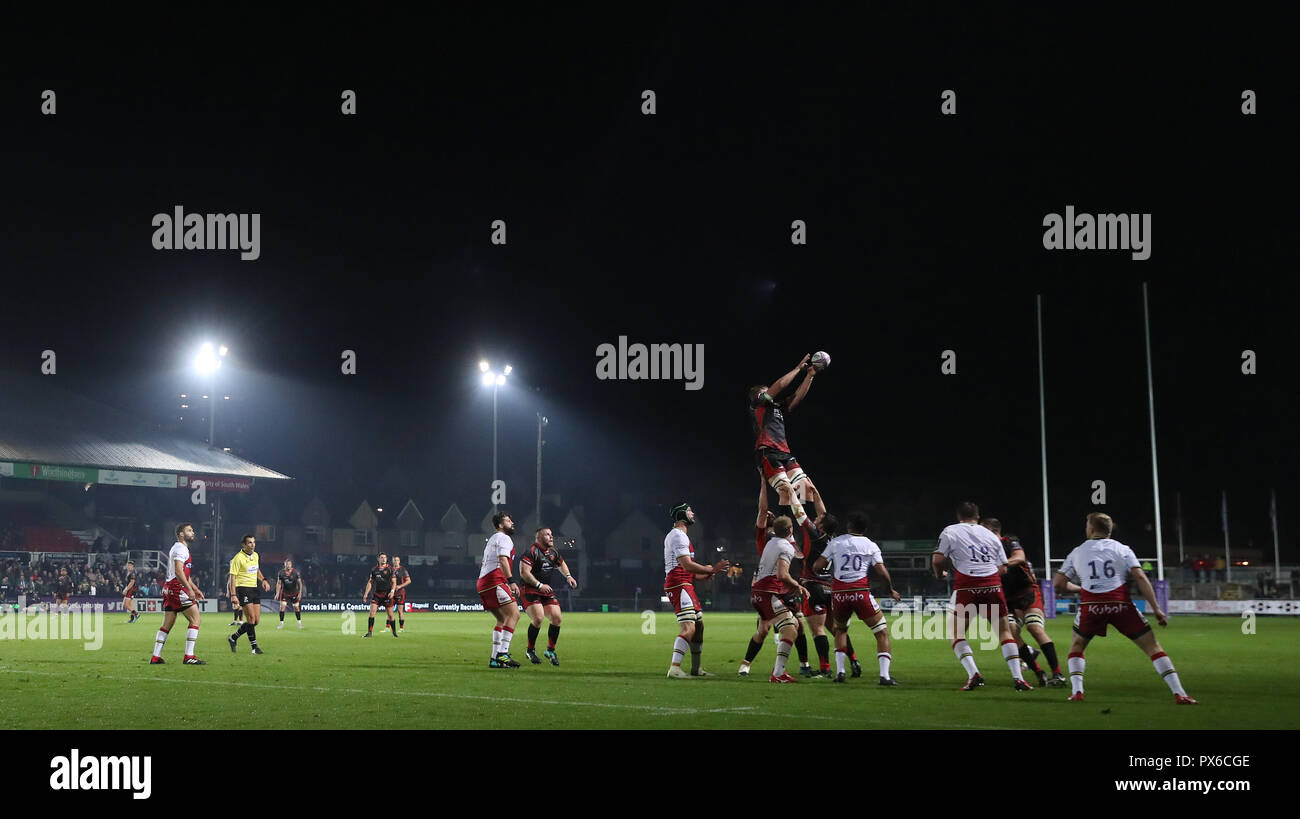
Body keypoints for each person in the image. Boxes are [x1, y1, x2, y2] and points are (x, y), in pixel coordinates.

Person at [1054, 513, 1198, 704]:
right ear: (1109, 530)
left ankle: (1077, 692)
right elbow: (1140, 578)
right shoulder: (1122, 549)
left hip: (1092, 605)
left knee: (1077, 645)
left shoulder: (1077, 552)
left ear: (1090, 528)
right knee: (1153, 647)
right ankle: (1180, 693)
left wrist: (1081, 589)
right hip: (1120, 605)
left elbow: (1058, 584)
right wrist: (1156, 609)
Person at [932, 501, 1032, 691]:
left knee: (956, 633)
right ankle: (1018, 679)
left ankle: (974, 674)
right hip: (992, 585)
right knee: (1004, 632)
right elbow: (1003, 567)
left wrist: (939, 574)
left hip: (967, 586)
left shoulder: (950, 531)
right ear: (977, 517)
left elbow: (937, 559)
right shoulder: (989, 534)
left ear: (958, 516)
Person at [814, 511, 900, 685]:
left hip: (839, 594)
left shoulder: (836, 543)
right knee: (881, 632)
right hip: (860, 591)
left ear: (848, 526)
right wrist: (890, 590)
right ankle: (884, 676)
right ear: (865, 528)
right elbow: (882, 572)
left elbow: (817, 566)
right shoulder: (870, 545)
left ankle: (840, 673)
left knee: (841, 630)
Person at [980, 519, 1064, 687]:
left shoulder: (1009, 541)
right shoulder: (984, 549)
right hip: (1007, 598)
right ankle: (1038, 672)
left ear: (993, 531)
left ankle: (1058, 674)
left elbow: (1019, 557)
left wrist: (999, 566)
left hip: (1027, 593)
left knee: (1035, 628)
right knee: (1009, 632)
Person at [664, 502, 728, 678]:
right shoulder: (678, 535)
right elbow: (686, 565)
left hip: (684, 583)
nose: (693, 513)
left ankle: (696, 669)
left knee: (698, 627)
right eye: (689, 510)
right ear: (681, 515)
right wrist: (711, 569)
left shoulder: (682, 536)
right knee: (689, 628)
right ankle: (675, 668)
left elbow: (687, 570)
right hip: (678, 584)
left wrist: (704, 575)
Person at [749, 354, 822, 509]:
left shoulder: (775, 407)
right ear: (758, 395)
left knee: (805, 491)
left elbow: (796, 398)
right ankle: (785, 529)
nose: (771, 392)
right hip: (767, 452)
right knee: (787, 492)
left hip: (784, 453)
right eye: (767, 391)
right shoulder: (758, 404)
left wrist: (809, 375)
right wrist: (797, 369)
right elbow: (781, 385)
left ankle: (791, 524)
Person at [749, 515, 809, 683]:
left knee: (793, 625)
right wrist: (798, 585)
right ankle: (778, 673)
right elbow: (782, 575)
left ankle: (767, 669)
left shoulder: (770, 543)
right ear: (791, 530)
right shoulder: (786, 547)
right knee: (790, 629)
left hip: (758, 593)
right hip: (767, 593)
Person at [519, 526, 578, 665]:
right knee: (538, 618)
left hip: (545, 590)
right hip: (530, 589)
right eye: (547, 535)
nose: (551, 537)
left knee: (557, 618)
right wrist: (539, 585)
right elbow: (524, 573)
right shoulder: (531, 552)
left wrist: (568, 576)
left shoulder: (553, 552)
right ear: (539, 537)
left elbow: (561, 564)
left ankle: (550, 651)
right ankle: (530, 650)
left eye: (551, 534)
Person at [150, 523, 206, 664]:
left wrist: (195, 589)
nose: (192, 532)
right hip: (177, 587)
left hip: (169, 588)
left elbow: (184, 574)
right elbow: (179, 571)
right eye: (189, 530)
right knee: (196, 620)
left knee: (167, 624)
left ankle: (155, 657)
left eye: (192, 530)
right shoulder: (181, 549)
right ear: (181, 534)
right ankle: (189, 656)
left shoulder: (178, 548)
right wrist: (189, 589)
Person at [477, 513, 521, 667]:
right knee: (514, 614)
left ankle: (494, 658)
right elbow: (503, 559)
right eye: (509, 521)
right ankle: (503, 653)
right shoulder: (504, 538)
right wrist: (511, 581)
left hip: (483, 583)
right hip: (494, 580)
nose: (512, 522)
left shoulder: (493, 539)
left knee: (502, 619)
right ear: (501, 525)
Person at [227, 535, 271, 654]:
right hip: (243, 589)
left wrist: (264, 580)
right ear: (244, 545)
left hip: (254, 589)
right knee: (250, 619)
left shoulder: (255, 555)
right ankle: (254, 647)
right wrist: (233, 595)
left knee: (255, 621)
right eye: (250, 543)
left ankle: (233, 638)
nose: (253, 545)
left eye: (254, 542)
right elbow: (233, 577)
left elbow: (256, 570)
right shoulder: (238, 558)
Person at [362, 553, 399, 638]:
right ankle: (369, 633)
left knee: (390, 615)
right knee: (372, 613)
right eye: (382, 558)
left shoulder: (390, 569)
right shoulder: (374, 570)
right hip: (377, 594)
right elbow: (370, 582)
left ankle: (394, 633)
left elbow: (394, 582)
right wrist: (366, 594)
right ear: (378, 559)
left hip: (387, 594)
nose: (383, 559)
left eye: (385, 558)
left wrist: (392, 591)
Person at [275, 558, 305, 629]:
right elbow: (279, 583)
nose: (288, 566)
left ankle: (299, 623)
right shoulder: (281, 573)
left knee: (296, 608)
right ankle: (281, 623)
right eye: (286, 564)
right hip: (284, 593)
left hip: (294, 593)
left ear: (291, 565)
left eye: (289, 564)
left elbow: (300, 583)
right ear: (284, 565)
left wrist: (300, 592)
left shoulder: (295, 572)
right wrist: (277, 593)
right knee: (282, 608)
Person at [391, 556, 411, 632]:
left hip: (400, 592)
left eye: (397, 560)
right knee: (390, 610)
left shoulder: (403, 570)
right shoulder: (390, 569)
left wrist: (400, 586)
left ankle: (401, 628)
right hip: (392, 592)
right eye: (394, 560)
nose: (396, 561)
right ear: (392, 561)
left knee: (400, 611)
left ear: (399, 561)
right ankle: (387, 627)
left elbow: (409, 581)